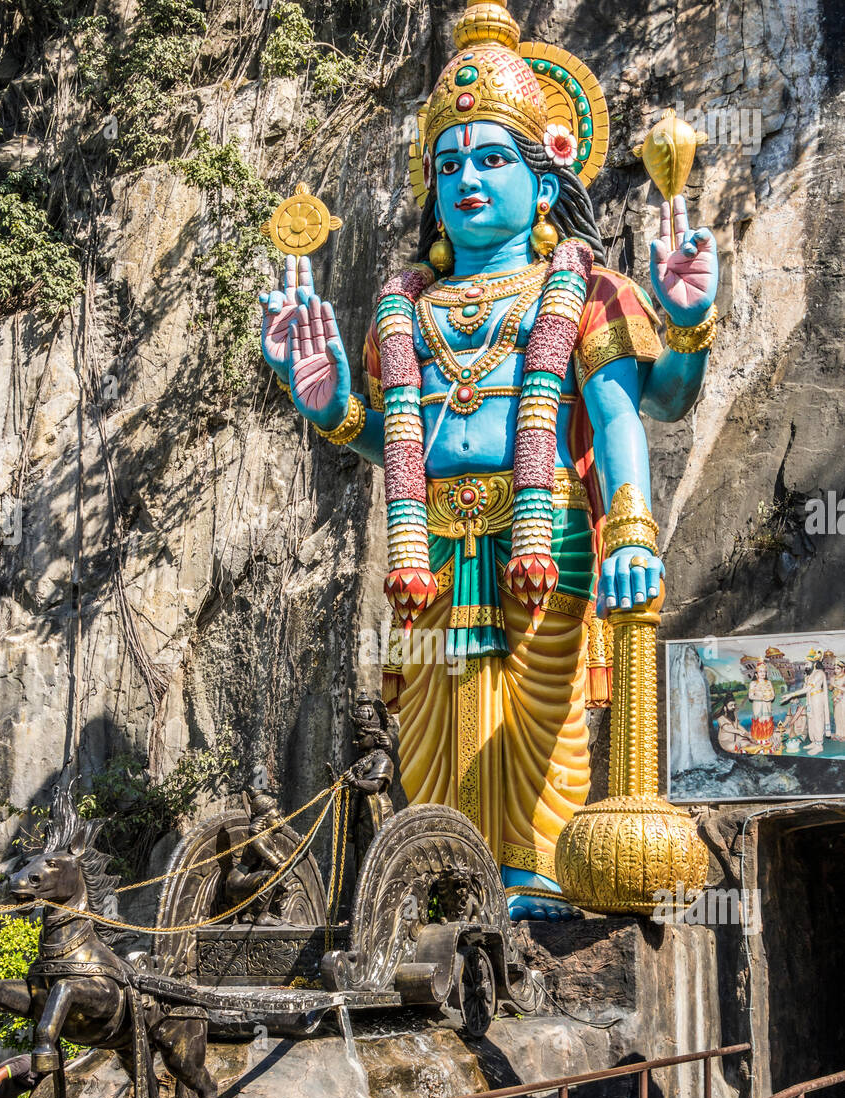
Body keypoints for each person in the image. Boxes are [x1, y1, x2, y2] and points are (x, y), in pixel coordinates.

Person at [259, 1, 718, 919]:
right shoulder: (407, 309)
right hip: (424, 547)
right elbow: (388, 432)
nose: (467, 178)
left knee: (535, 722)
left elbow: (640, 405)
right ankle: (435, 886)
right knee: (428, 728)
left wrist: (688, 330)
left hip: (541, 535)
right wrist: (332, 407)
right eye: (450, 163)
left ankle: (532, 877)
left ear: (546, 184)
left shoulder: (580, 286)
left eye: (492, 158)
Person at [747, 661, 775, 746]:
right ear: (756, 674)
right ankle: (758, 740)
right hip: (758, 705)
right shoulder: (753, 683)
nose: (762, 673)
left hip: (767, 705)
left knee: (767, 721)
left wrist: (769, 698)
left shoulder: (769, 683)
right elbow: (750, 696)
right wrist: (761, 698)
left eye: (764, 671)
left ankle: (767, 738)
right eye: (760, 671)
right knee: (759, 721)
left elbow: (773, 695)